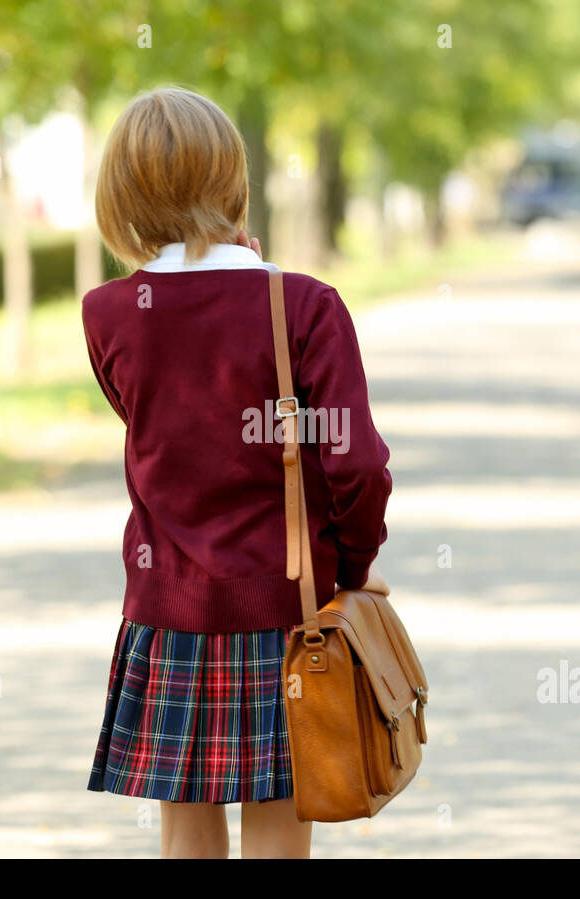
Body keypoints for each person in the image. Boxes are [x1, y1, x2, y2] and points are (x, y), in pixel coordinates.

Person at [82, 87, 392, 858]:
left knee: (185, 835)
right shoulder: (306, 307)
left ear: (120, 196)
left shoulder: (108, 313)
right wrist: (346, 570)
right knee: (282, 828)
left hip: (168, 612)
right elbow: (358, 469)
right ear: (232, 181)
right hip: (286, 612)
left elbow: (164, 437)